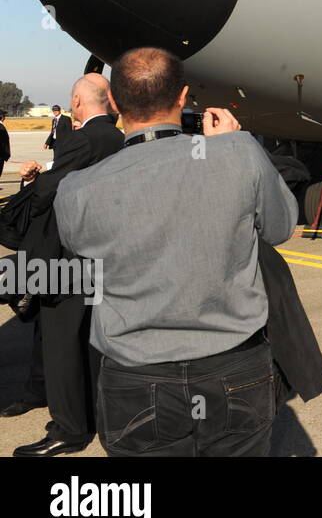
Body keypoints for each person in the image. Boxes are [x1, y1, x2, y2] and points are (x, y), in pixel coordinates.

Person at [54, 49, 301, 456]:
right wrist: (233, 146)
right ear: (184, 96)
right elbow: (279, 228)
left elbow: (82, 250)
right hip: (233, 366)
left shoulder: (77, 190)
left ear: (115, 102)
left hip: (135, 377)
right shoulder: (240, 156)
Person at [1, 74, 123, 456]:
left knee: (61, 344)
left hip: (67, 259)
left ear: (77, 101)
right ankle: (55, 399)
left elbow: (47, 194)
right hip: (100, 254)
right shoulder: (119, 139)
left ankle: (68, 430)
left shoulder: (83, 139)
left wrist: (30, 184)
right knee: (78, 339)